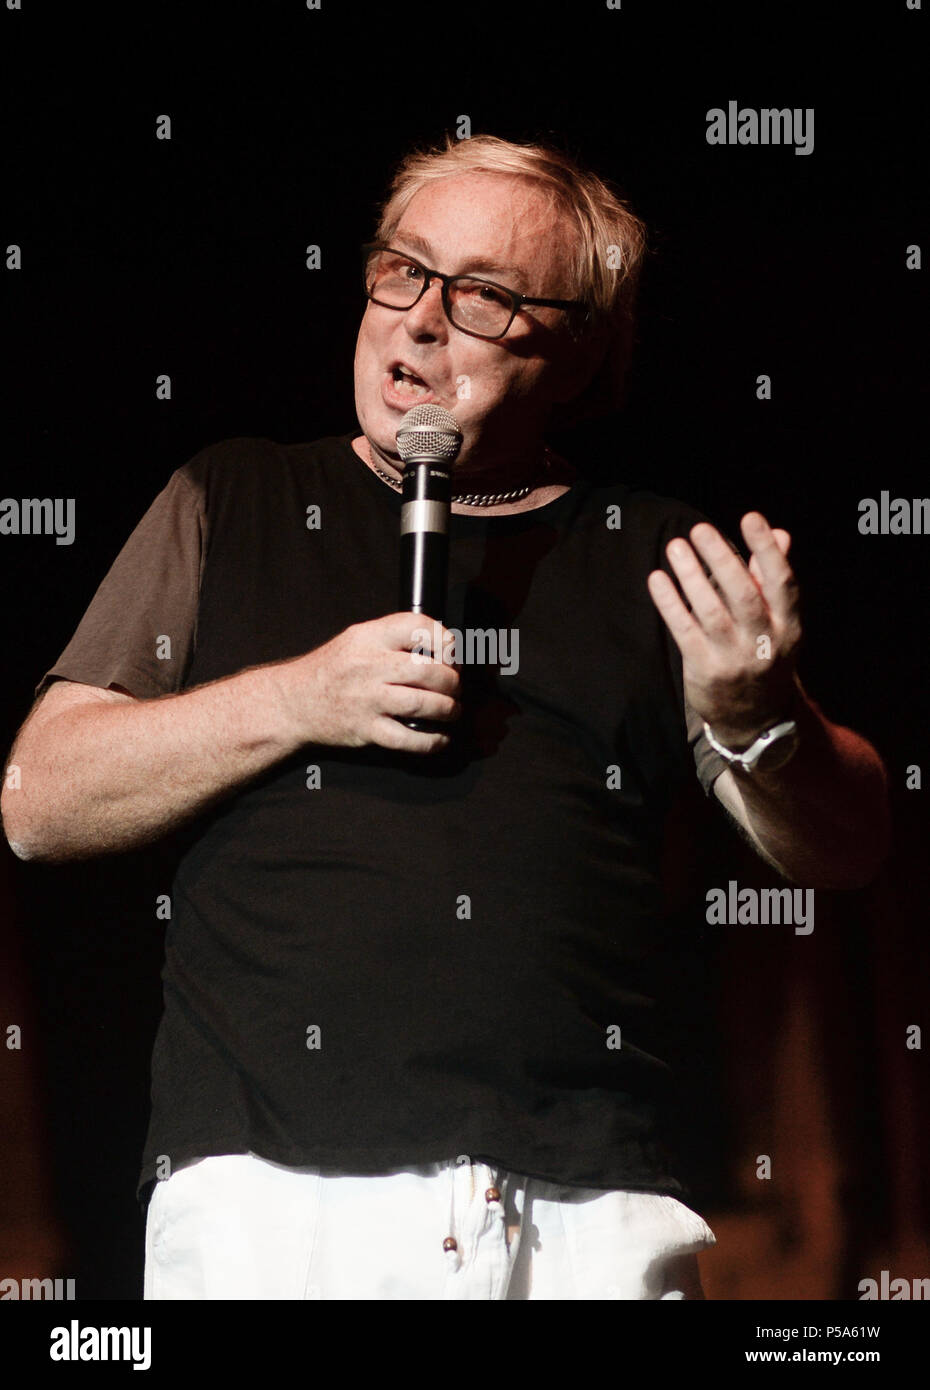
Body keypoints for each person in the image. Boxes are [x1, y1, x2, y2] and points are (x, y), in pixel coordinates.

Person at [0, 134, 890, 1300]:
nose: (418, 320)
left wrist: (757, 715)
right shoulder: (236, 497)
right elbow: (38, 797)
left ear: (575, 354)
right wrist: (299, 696)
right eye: (401, 270)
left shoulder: (650, 555)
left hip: (588, 1210)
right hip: (276, 1200)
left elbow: (854, 838)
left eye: (480, 296)